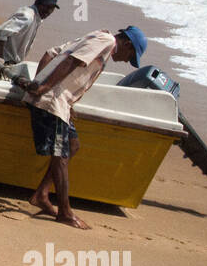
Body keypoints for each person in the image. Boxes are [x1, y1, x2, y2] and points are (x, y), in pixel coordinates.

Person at [21, 26, 147, 230]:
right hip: (52, 101)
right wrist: (44, 88)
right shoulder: (106, 42)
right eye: (130, 56)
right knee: (60, 156)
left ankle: (41, 195)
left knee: (73, 145)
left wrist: (41, 83)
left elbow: (50, 54)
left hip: (61, 103)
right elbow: (72, 61)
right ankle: (65, 212)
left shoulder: (95, 37)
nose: (126, 61)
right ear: (127, 44)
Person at [0, 0, 60, 78]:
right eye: (46, 6)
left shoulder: (37, 18)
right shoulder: (27, 16)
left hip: (12, 65)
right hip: (1, 66)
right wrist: (0, 60)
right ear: (37, 2)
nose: (48, 11)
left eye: (51, 8)